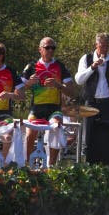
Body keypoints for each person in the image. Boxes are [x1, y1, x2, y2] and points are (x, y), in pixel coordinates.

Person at [21, 37, 76, 165]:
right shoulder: (31, 67)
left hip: (54, 109)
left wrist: (59, 85)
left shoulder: (60, 66)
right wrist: (29, 83)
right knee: (30, 134)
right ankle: (25, 165)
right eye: (47, 48)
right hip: (36, 108)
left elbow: (72, 92)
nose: (50, 50)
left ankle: (51, 166)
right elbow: (18, 91)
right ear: (40, 49)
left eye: (53, 48)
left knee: (56, 128)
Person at [74, 32, 109, 159]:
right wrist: (93, 67)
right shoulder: (86, 59)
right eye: (102, 46)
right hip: (91, 102)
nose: (105, 49)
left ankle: (105, 168)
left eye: (107, 46)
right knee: (87, 138)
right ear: (96, 45)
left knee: (107, 136)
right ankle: (87, 165)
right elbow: (78, 80)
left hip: (108, 103)